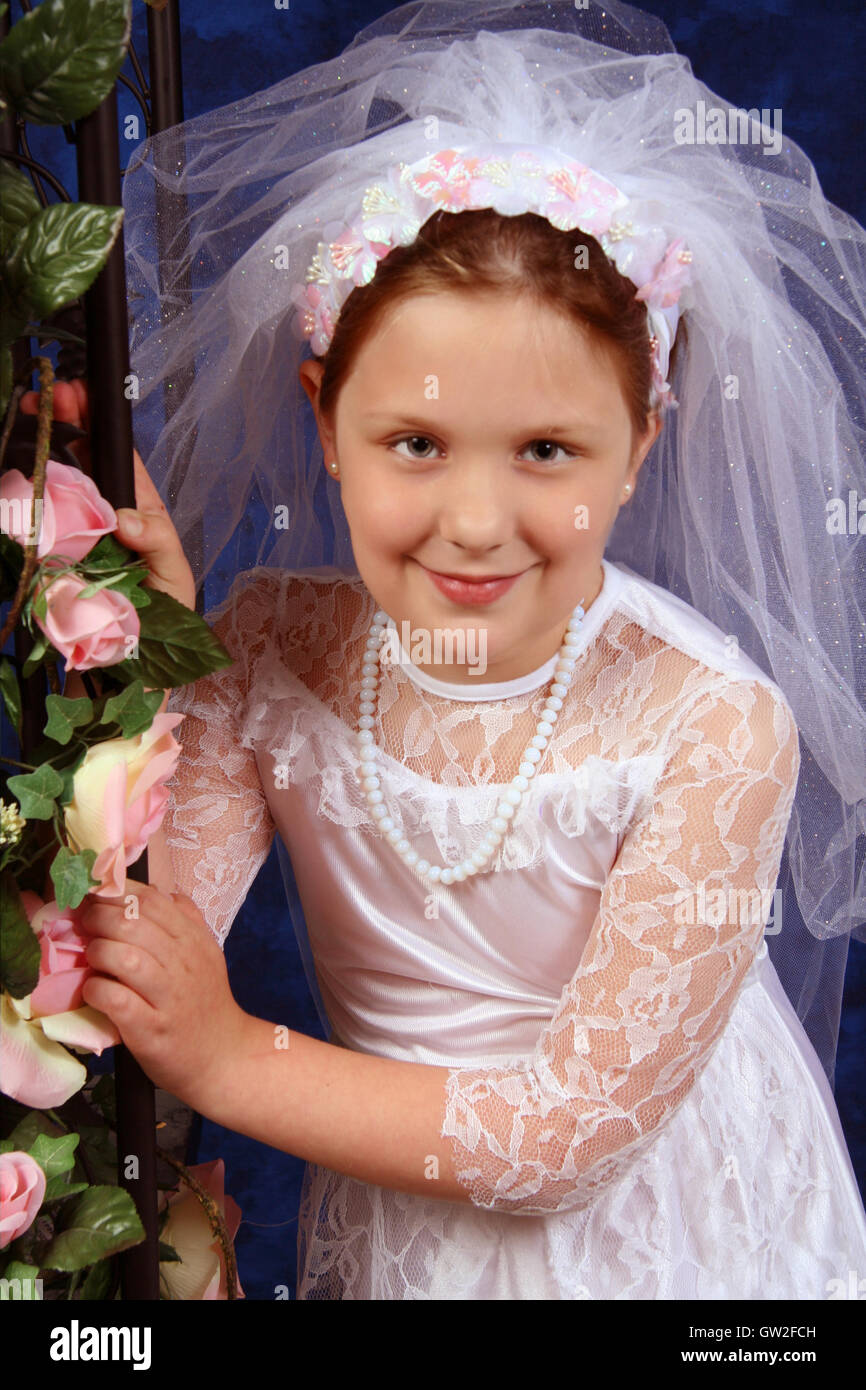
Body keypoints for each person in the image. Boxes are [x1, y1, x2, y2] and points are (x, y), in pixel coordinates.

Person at [41, 0, 866, 1298]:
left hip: (655, 1240)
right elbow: (148, 943)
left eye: (546, 449)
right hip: (401, 1212)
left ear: (640, 440)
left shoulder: (712, 721)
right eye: (413, 443)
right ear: (325, 417)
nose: (474, 522)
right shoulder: (265, 641)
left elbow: (564, 1136)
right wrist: (158, 646)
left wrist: (229, 1058)